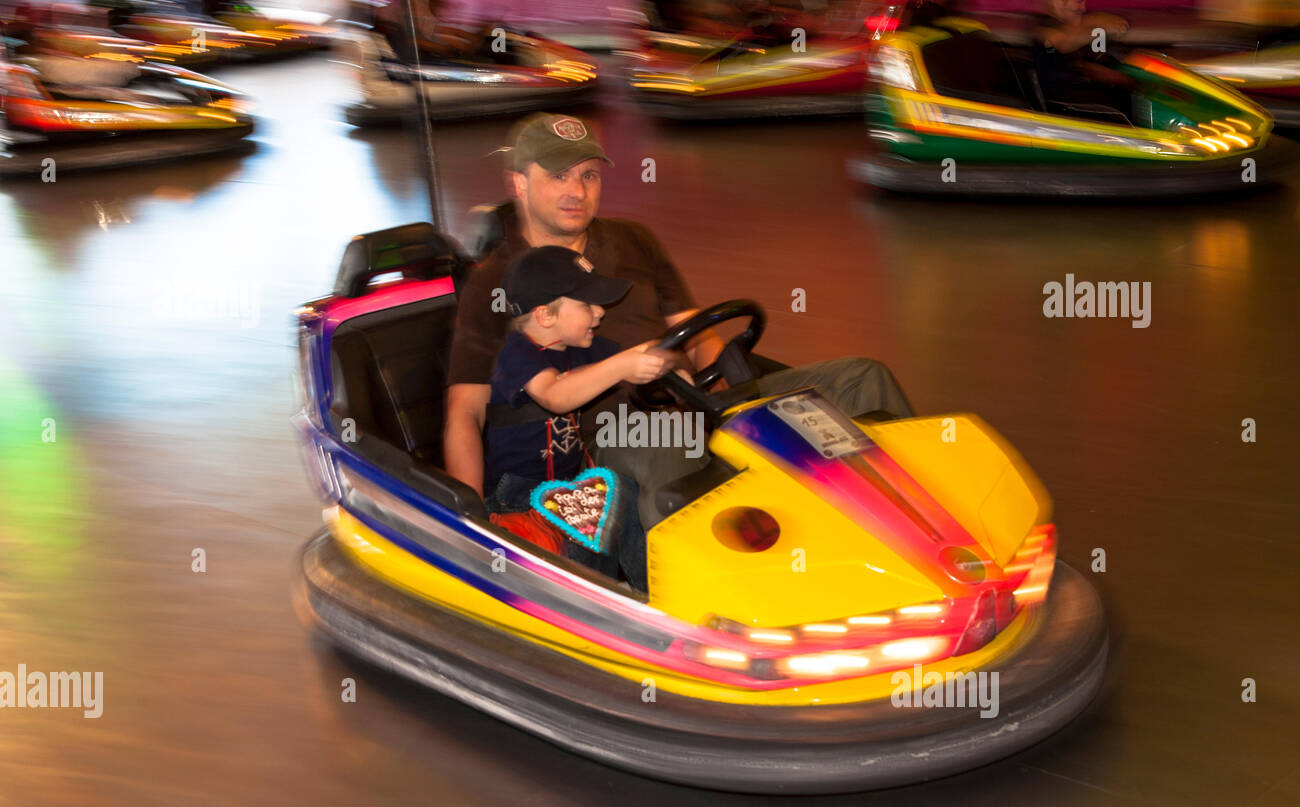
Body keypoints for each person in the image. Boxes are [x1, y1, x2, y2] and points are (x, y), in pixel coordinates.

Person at [445, 112, 915, 527]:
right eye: (558, 176)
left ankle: (911, 529)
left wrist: (726, 400)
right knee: (674, 446)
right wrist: (471, 522)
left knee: (863, 379)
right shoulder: (497, 280)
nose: (576, 191)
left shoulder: (633, 239)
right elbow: (466, 411)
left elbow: (695, 331)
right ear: (519, 183)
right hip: (609, 432)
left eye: (589, 175)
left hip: (694, 398)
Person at [485, 245, 674, 592]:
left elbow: (638, 356)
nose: (600, 312)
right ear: (545, 316)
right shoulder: (516, 354)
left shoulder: (580, 347)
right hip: (516, 494)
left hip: (566, 482)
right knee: (610, 501)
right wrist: (620, 366)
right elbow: (555, 395)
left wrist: (666, 366)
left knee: (629, 488)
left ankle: (647, 588)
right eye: (587, 305)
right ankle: (619, 597)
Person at [1032, 0, 1135, 117]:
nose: (1083, 8)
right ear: (1058, 3)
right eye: (1079, 2)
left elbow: (1088, 66)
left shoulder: (1082, 35)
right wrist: (1094, 20)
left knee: (1127, 96)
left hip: (1081, 97)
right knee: (1121, 106)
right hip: (1063, 105)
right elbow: (1064, 43)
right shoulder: (1042, 26)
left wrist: (1126, 77)